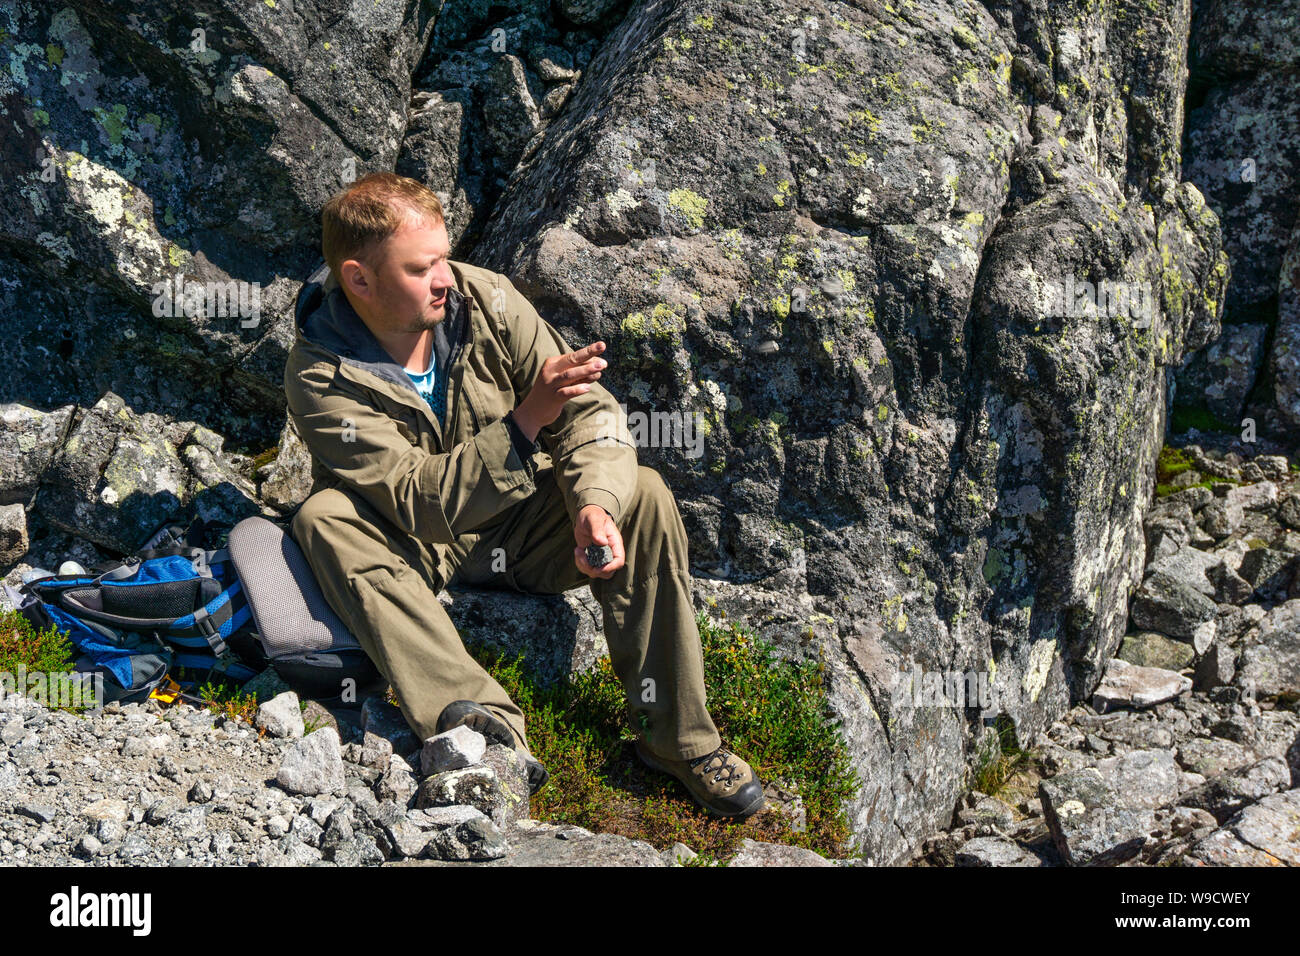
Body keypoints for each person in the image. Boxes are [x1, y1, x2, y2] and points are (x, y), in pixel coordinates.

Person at [284, 171, 765, 818]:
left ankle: (678, 737)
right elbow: (418, 499)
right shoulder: (319, 376)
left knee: (641, 495)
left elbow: (590, 415)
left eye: (445, 257)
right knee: (323, 516)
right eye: (422, 267)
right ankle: (487, 731)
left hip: (515, 525)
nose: (446, 278)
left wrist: (594, 504)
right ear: (359, 279)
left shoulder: (490, 302)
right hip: (412, 546)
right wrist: (524, 421)